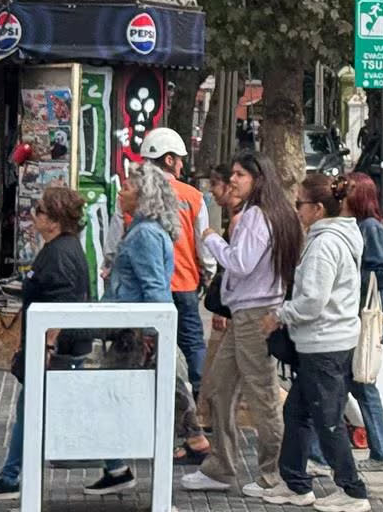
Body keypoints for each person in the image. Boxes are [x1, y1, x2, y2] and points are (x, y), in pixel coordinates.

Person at [0, 186, 92, 500]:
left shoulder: (61, 252)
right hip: (58, 348)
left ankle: (10, 477)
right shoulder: (59, 248)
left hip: (57, 351)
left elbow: (61, 304)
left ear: (55, 219)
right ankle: (115, 467)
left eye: (41, 211)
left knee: (44, 409)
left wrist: (47, 346)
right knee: (60, 409)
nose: (35, 215)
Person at [185, 155, 301, 495]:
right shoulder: (273, 215)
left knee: (262, 394)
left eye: (240, 174)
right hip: (249, 312)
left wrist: (210, 238)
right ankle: (222, 465)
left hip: (253, 313)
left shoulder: (256, 216)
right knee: (221, 387)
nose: (233, 179)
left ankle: (273, 473)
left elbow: (241, 263)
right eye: (232, 173)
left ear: (257, 178)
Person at [254, 172, 370, 512]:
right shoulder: (337, 237)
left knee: (327, 419)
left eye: (299, 204)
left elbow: (312, 301)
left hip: (325, 344)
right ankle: (295, 482)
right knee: (298, 412)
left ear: (318, 208)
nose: (296, 211)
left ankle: (353, 490)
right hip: (324, 342)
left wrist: (280, 314)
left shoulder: (324, 244)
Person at [84, 164, 198, 496]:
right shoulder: (143, 230)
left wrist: (153, 334)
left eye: (128, 188)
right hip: (132, 331)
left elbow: (155, 290)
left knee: (114, 399)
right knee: (113, 399)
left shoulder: (146, 234)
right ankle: (116, 465)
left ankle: (120, 467)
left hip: (134, 336)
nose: (121, 193)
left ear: (143, 195)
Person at [137, 128, 212, 403]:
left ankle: (154, 399)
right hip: (184, 283)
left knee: (148, 344)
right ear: (168, 159)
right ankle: (201, 402)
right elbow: (203, 243)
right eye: (179, 158)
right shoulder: (192, 196)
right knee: (193, 344)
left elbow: (114, 241)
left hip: (146, 288)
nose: (182, 164)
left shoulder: (131, 193)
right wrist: (208, 273)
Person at [342, 171, 383, 471]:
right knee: (353, 383)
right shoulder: (353, 226)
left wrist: (350, 277)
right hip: (353, 314)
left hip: (364, 315)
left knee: (359, 382)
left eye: (349, 189)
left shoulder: (370, 228)